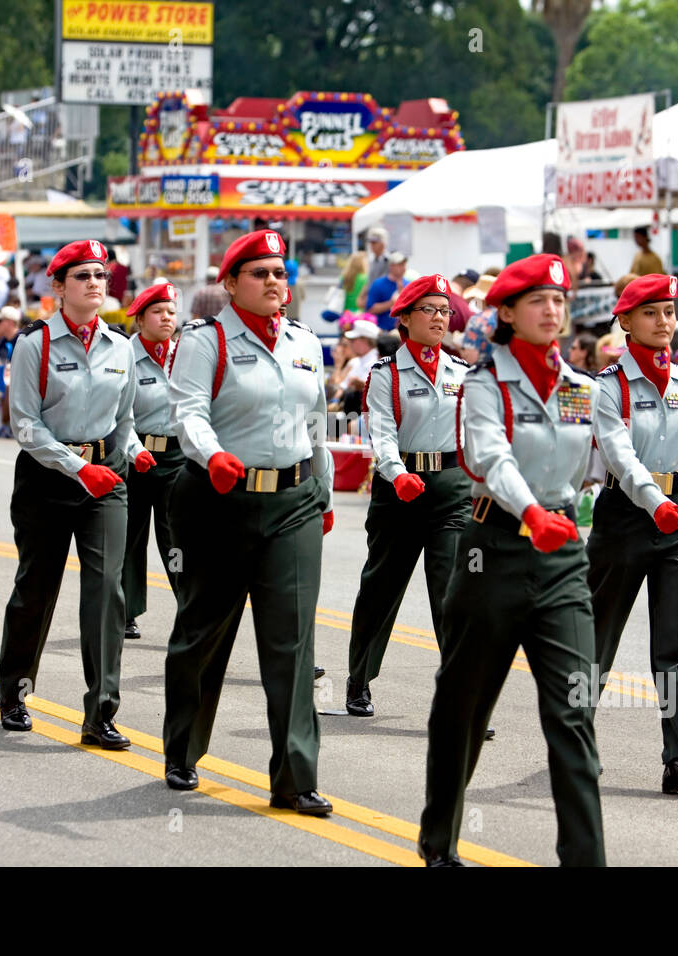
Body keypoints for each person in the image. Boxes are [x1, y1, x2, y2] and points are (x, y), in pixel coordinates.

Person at [419, 254, 604, 866]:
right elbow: (489, 460)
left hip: (562, 564)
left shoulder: (582, 389)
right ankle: (439, 842)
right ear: (506, 313)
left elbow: (594, 466)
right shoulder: (481, 383)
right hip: (492, 554)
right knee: (465, 705)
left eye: (560, 301)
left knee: (575, 712)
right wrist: (530, 513)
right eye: (537, 302)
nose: (552, 311)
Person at [163, 229, 334, 814]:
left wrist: (324, 492)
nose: (273, 283)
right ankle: (182, 750)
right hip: (219, 500)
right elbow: (188, 412)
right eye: (259, 273)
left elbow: (317, 422)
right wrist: (212, 456)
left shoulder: (306, 342)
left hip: (293, 504)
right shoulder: (205, 340)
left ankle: (294, 777)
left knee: (291, 642)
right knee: (203, 632)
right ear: (231, 284)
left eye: (280, 274)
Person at [0, 240, 152, 742]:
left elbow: (123, 418)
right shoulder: (34, 344)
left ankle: (101, 711)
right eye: (82, 276)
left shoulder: (121, 347)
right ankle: (15, 693)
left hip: (107, 478)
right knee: (35, 591)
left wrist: (132, 449)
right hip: (47, 477)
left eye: (100, 276)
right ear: (58, 287)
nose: (94, 284)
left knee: (107, 593)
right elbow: (25, 425)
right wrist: (76, 469)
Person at [587, 273, 678, 794]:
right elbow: (617, 453)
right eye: (651, 313)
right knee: (599, 637)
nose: (664, 322)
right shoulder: (605, 386)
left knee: (677, 642)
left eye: (669, 312)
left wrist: (675, 503)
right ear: (625, 322)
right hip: (626, 516)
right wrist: (653, 500)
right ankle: (574, 741)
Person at [345, 275, 472, 719]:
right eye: (430, 310)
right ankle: (359, 678)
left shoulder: (462, 372)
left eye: (444, 310)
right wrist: (397, 474)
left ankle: (461, 693)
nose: (440, 318)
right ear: (404, 318)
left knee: (453, 594)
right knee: (381, 587)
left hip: (452, 494)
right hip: (399, 491)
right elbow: (380, 432)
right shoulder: (385, 374)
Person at [122, 281, 183, 642]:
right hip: (135, 455)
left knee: (176, 537)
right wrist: (135, 450)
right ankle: (127, 610)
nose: (166, 318)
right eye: (158, 312)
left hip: (176, 458)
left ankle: (188, 604)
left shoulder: (186, 356)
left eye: (171, 312)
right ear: (141, 318)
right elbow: (119, 415)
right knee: (131, 535)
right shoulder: (124, 355)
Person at [365, 252, 408, 328]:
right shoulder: (378, 284)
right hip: (383, 331)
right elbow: (370, 309)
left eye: (404, 265)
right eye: (399, 265)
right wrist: (392, 302)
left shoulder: (409, 285)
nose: (403, 268)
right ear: (391, 266)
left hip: (403, 332)